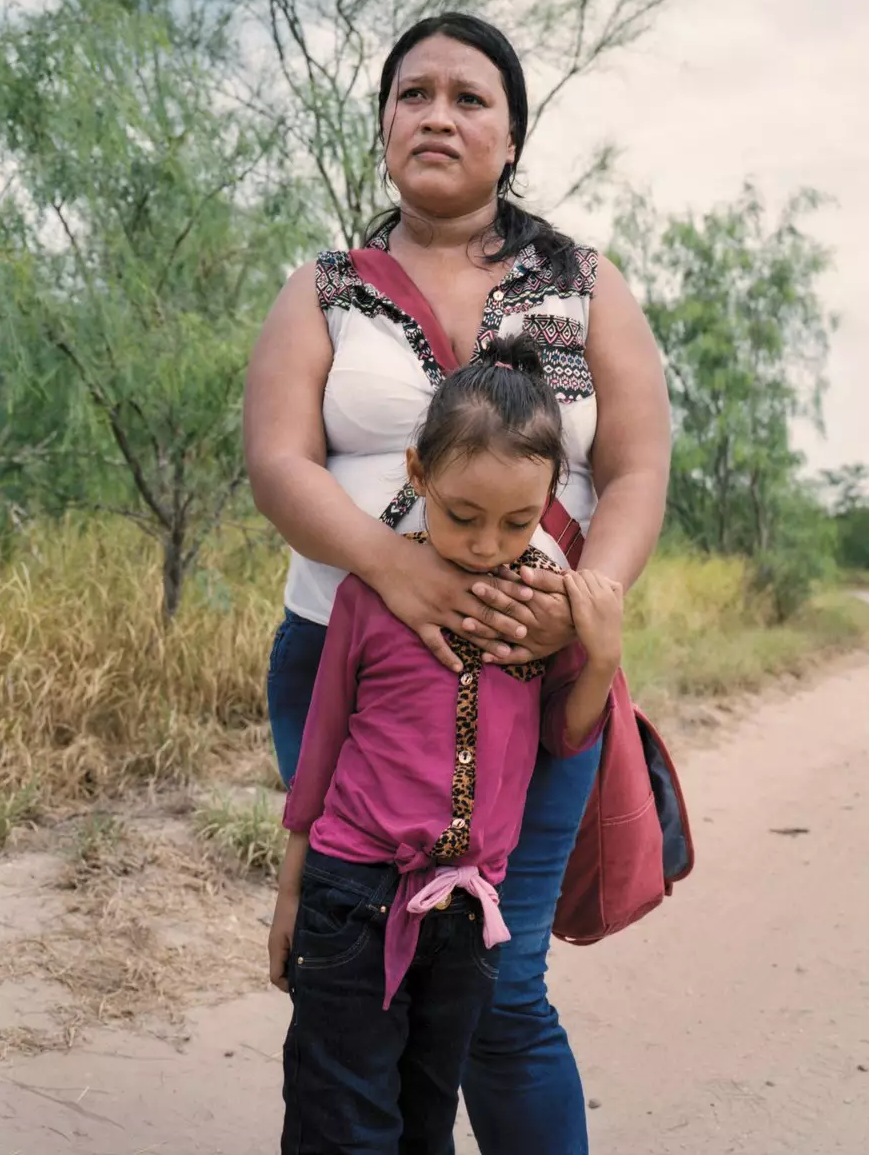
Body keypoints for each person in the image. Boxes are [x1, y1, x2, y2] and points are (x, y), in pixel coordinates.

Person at [245, 10, 670, 1155]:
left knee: (500, 984)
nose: (436, 113)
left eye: (468, 96)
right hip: (350, 659)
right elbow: (277, 459)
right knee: (359, 959)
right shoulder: (324, 288)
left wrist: (593, 598)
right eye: (412, 92)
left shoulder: (583, 284)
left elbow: (633, 465)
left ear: (512, 133)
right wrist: (392, 566)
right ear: (384, 122)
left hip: (538, 687)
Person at [272, 335, 622, 1153]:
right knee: (338, 1114)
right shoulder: (370, 599)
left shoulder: (538, 612)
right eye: (463, 515)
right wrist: (291, 892)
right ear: (418, 474)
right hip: (349, 894)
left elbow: (564, 741)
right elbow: (320, 748)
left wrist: (597, 653)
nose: (487, 542)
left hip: (468, 914)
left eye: (518, 522)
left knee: (427, 1117)